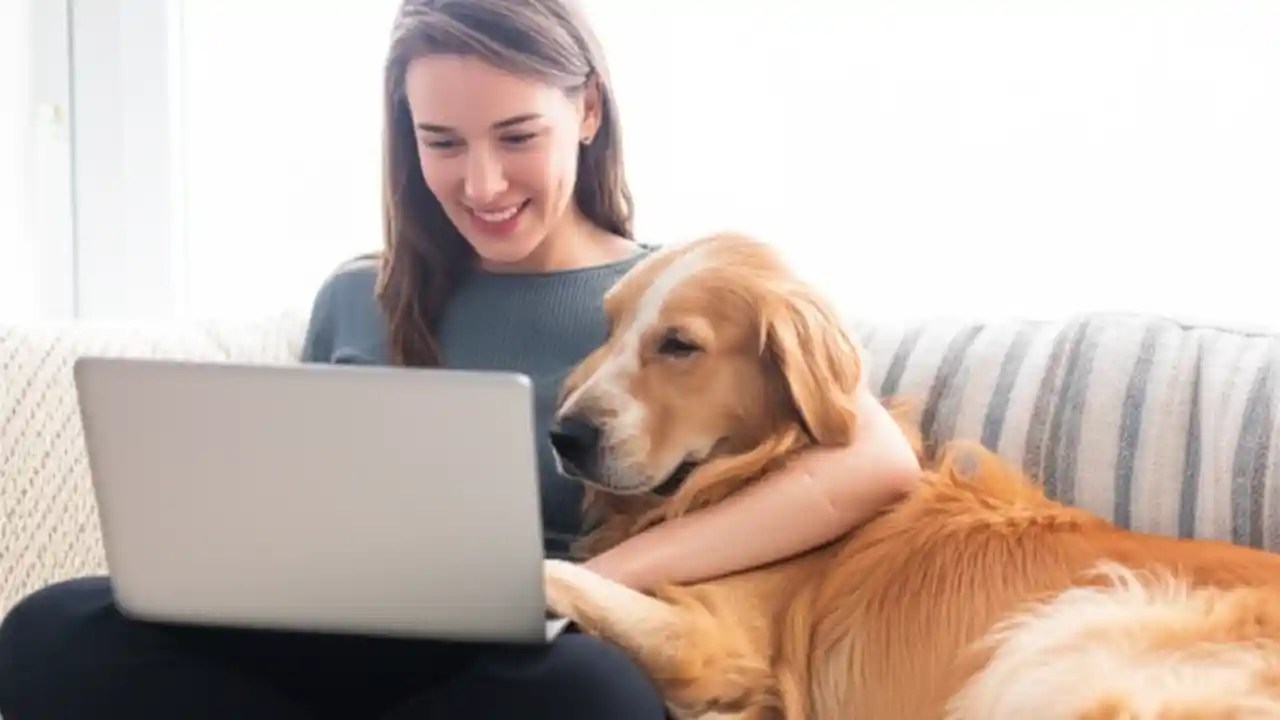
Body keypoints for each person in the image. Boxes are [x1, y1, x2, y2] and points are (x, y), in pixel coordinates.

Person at [0, 1, 922, 718]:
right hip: (327, 630)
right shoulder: (355, 298)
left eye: (517, 136)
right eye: (441, 142)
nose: (480, 183)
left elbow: (873, 457)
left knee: (588, 699)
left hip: (525, 655)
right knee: (47, 631)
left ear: (588, 110)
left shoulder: (668, 301)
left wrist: (583, 587)